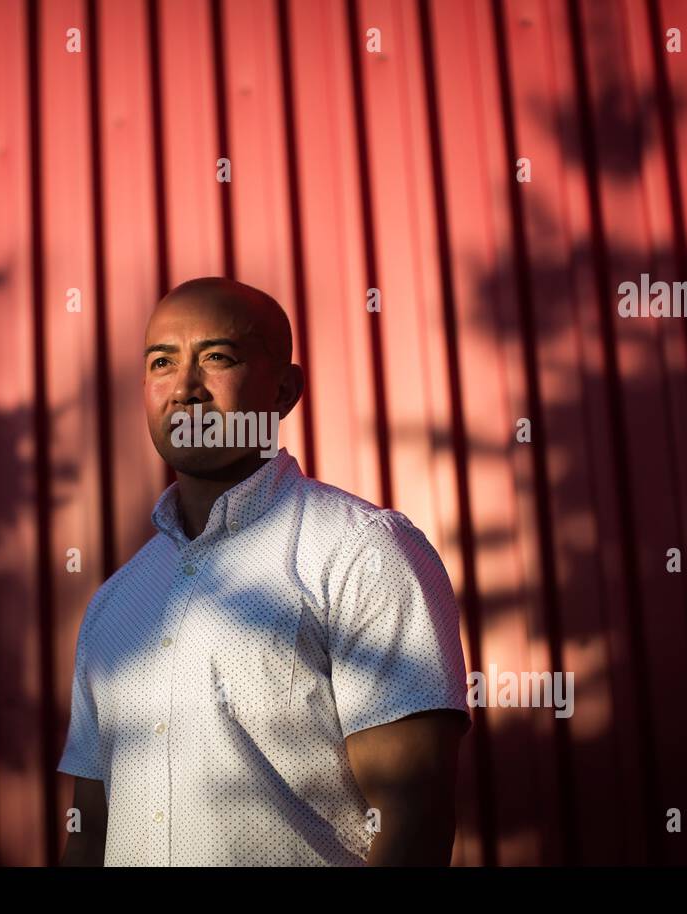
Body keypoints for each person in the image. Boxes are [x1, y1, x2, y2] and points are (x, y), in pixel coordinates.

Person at [57, 276, 471, 866]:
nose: (185, 389)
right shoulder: (116, 603)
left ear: (284, 389)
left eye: (218, 357)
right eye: (161, 362)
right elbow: (88, 832)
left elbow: (414, 813)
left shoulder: (362, 553)